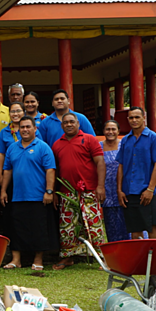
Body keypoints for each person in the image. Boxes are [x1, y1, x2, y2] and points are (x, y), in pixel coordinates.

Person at [51, 112, 108, 270]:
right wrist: (55, 191)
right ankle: (67, 257)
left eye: (72, 122)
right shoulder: (57, 144)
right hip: (67, 192)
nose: (69, 124)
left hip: (89, 191)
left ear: (78, 124)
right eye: (66, 122)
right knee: (67, 227)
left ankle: (102, 257)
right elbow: (55, 170)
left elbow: (100, 163)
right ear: (62, 126)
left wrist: (100, 186)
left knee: (94, 224)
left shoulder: (89, 139)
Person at [0, 117, 58, 272]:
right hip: (17, 196)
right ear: (18, 129)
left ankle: (38, 260)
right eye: (22, 127)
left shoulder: (43, 147)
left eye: (28, 127)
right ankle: (16, 260)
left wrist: (49, 191)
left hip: (38, 196)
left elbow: (50, 170)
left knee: (38, 229)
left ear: (35, 129)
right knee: (16, 228)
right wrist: (3, 190)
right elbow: (7, 170)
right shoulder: (12, 148)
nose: (25, 130)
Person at [117, 107, 156, 239]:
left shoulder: (153, 138)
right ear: (128, 119)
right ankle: (140, 254)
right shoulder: (125, 140)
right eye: (131, 117)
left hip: (147, 190)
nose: (134, 120)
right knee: (135, 229)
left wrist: (150, 189)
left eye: (137, 117)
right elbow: (121, 165)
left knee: (152, 227)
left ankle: (155, 253)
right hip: (129, 190)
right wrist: (119, 190)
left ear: (144, 118)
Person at [0, 102, 27, 269]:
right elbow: (0, 154)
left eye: (18, 111)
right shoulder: (5, 132)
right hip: (10, 178)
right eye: (12, 111)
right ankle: (14, 256)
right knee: (12, 215)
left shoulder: (30, 129)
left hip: (28, 179)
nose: (15, 114)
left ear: (24, 112)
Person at [101, 120, 131, 242]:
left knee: (129, 222)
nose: (110, 132)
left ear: (118, 131)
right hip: (107, 191)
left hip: (125, 189)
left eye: (113, 129)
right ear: (103, 131)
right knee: (112, 224)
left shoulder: (124, 144)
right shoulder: (98, 146)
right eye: (107, 129)